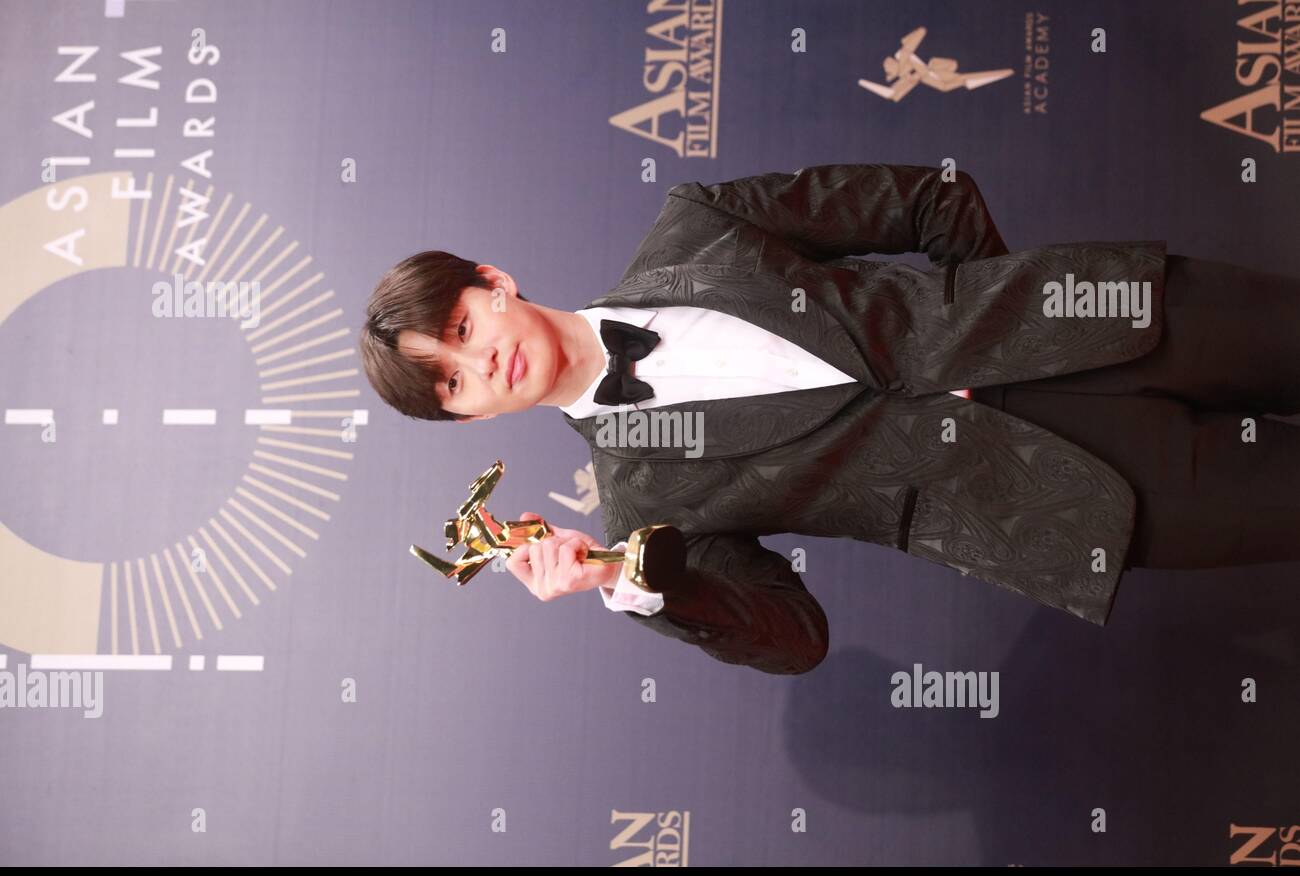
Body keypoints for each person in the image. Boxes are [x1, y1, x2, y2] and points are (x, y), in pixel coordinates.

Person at [359, 164, 1300, 675]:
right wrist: (623, 580)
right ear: (471, 418)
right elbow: (793, 639)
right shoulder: (646, 509)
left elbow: (928, 196)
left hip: (1094, 320)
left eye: (460, 327)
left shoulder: (695, 226)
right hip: (1071, 500)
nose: (480, 360)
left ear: (495, 282)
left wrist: (996, 323)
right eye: (451, 383)